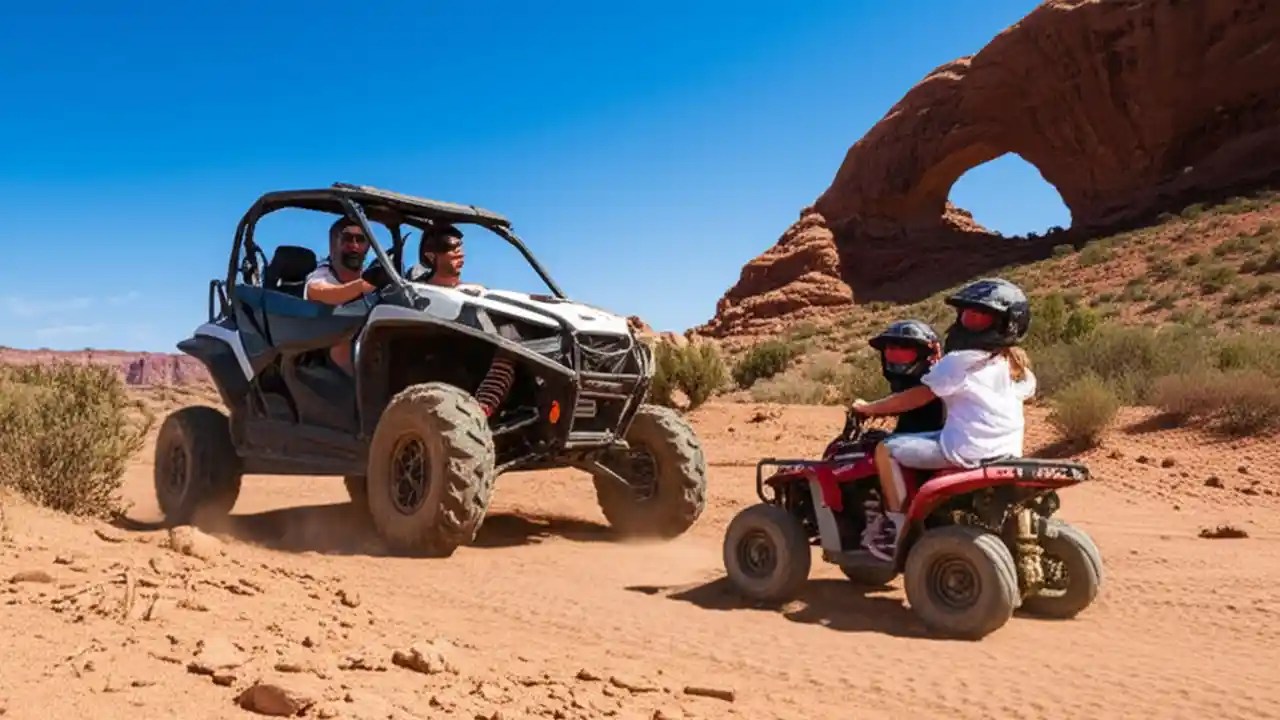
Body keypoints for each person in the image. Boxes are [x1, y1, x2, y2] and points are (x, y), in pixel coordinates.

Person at [851, 278, 1037, 561]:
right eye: (967, 314)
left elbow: (917, 397)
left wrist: (869, 408)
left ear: (1006, 323)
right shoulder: (1014, 364)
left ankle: (895, 526)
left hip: (963, 451)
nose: (968, 320)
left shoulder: (958, 362)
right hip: (1008, 451)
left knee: (885, 449)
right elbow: (1027, 391)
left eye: (980, 317)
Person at [303, 217, 383, 374]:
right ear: (333, 245)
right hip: (326, 360)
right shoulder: (323, 273)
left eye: (360, 240)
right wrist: (364, 285)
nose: (354, 247)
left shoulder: (372, 275)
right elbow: (319, 292)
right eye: (347, 240)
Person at [868, 319, 945, 435]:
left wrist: (867, 408)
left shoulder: (939, 385)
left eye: (905, 347)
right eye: (891, 347)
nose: (896, 355)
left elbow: (912, 398)